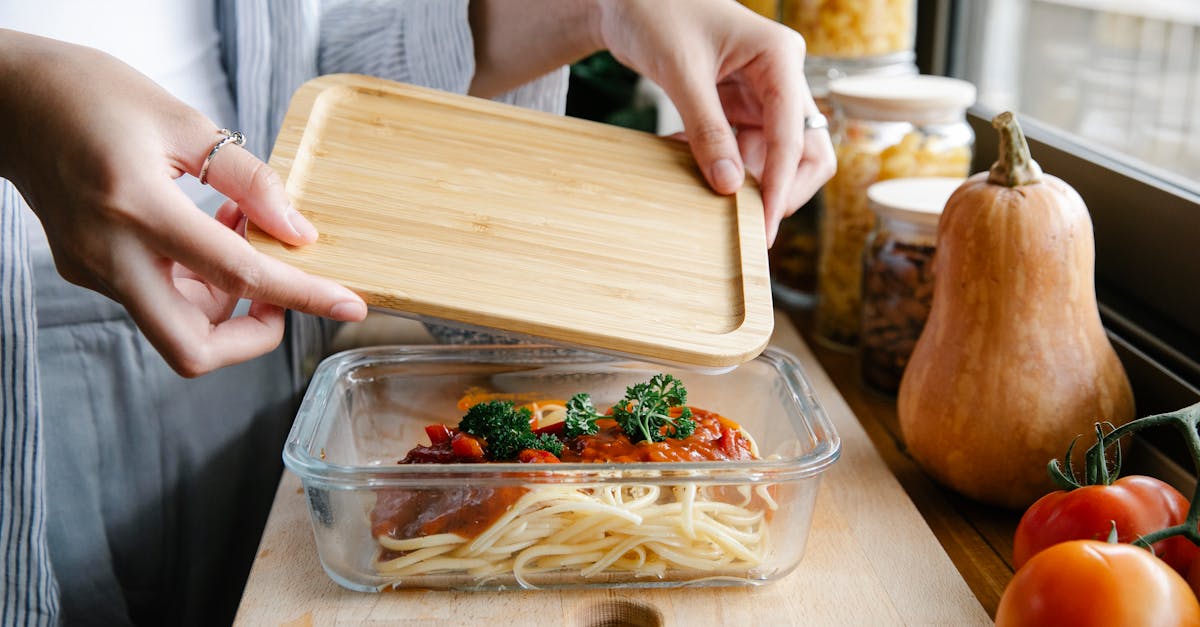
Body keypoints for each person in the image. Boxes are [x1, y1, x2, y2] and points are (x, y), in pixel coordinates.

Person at [0, 1, 835, 624]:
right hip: (29, 347)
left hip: (260, 335)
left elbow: (331, 65)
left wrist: (597, 6)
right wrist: (16, 97)